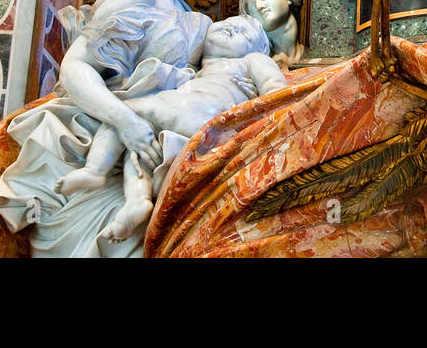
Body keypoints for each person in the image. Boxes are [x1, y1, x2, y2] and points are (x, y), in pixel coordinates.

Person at [0, 0, 216, 257]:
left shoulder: (187, 12)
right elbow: (75, 67)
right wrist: (125, 121)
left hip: (146, 150)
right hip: (105, 136)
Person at [55, 14, 287, 242]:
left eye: (244, 33)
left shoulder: (249, 61)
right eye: (227, 23)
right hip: (181, 114)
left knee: (126, 113)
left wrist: (268, 121)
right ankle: (137, 199)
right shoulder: (192, 72)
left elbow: (274, 87)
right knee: (140, 145)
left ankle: (95, 170)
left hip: (210, 120)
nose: (231, 28)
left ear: (253, 49)